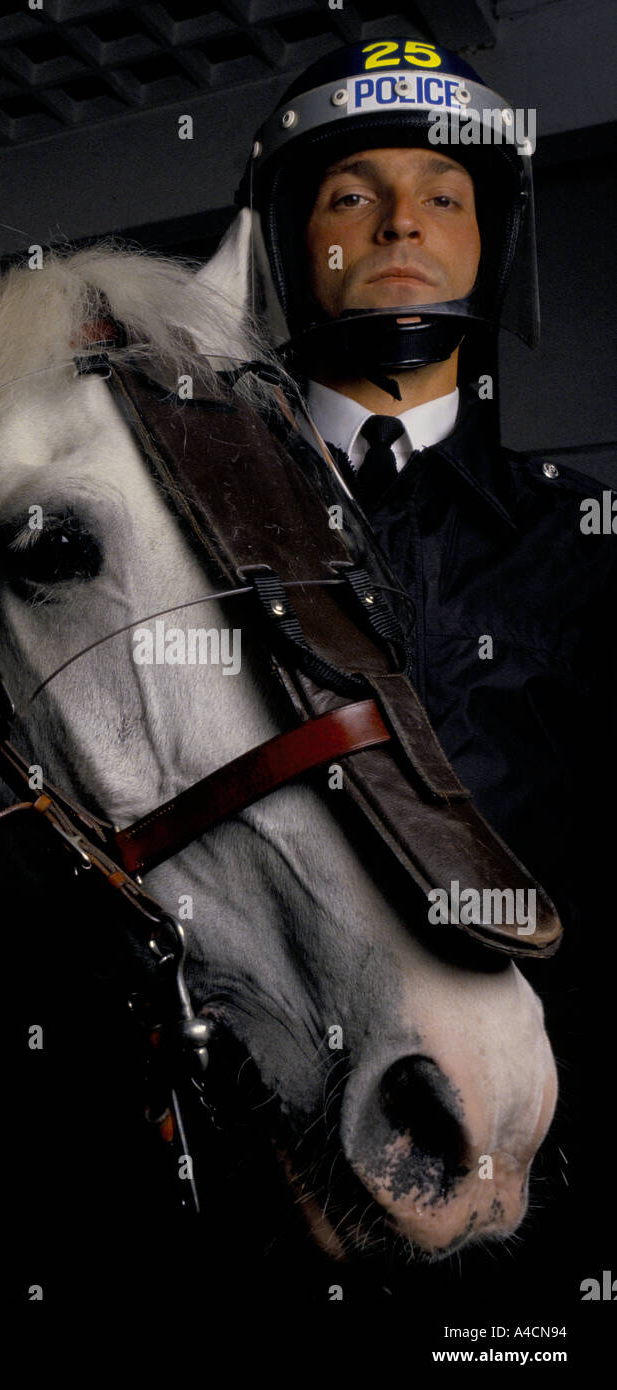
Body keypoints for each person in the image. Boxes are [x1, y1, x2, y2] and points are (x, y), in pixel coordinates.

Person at [237, 38, 617, 934]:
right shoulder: (182, 518)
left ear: (490, 240)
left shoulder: (593, 541)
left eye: (442, 195)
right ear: (296, 243)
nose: (400, 222)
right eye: (352, 195)